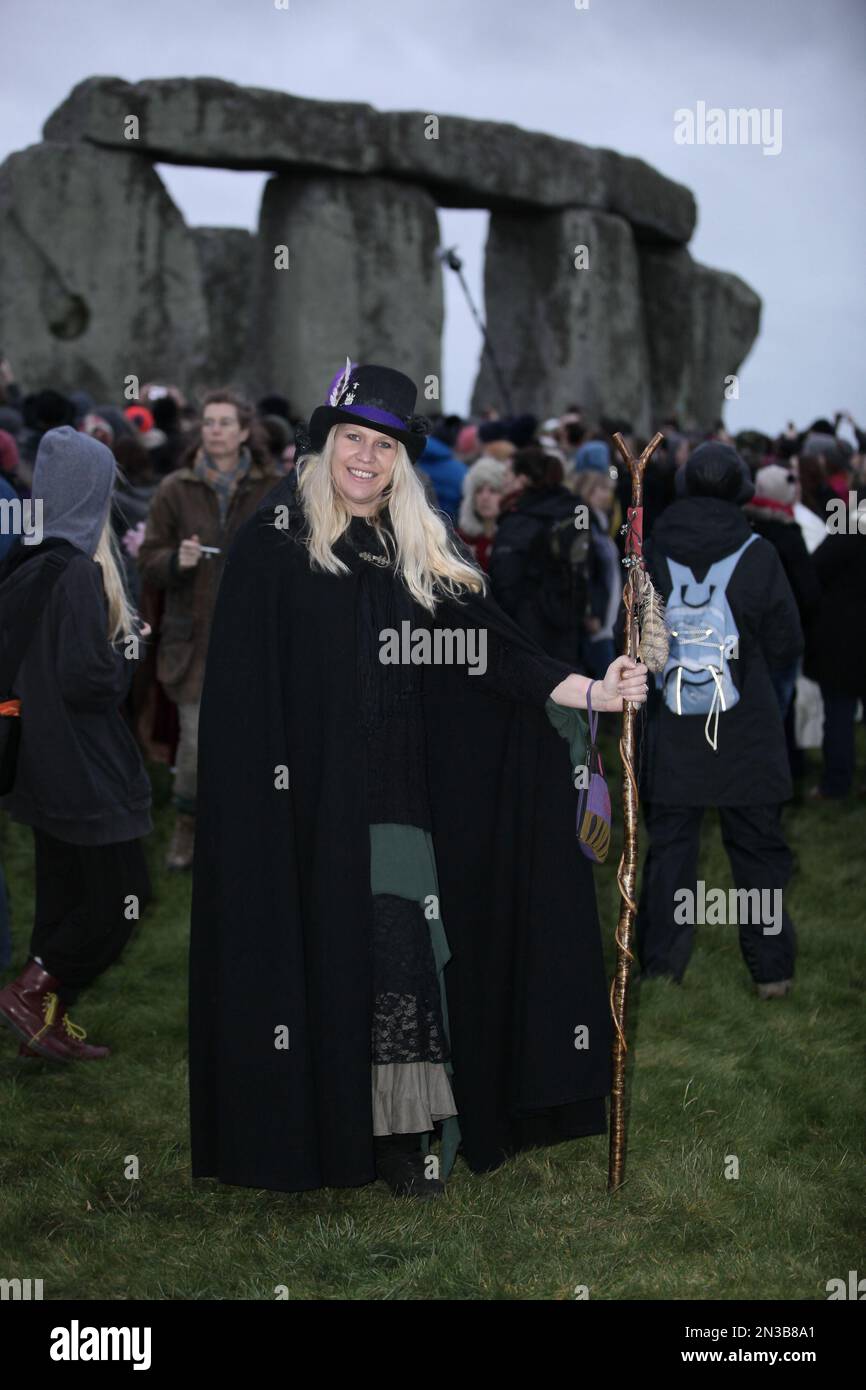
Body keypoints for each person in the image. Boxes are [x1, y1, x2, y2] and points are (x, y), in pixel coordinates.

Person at [188, 362, 647, 1199]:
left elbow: (490, 652)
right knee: (325, 967)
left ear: (403, 459)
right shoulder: (275, 545)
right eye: (353, 438)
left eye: (385, 445)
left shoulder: (415, 548)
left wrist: (592, 689)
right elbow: (244, 702)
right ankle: (323, 1130)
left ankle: (403, 1137)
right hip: (304, 810)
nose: (366, 457)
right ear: (323, 443)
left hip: (400, 801)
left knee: (401, 962)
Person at [0, 427, 152, 1059]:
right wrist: (132, 642)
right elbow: (91, 681)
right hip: (82, 766)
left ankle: (45, 1018)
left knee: (62, 895)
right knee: (124, 900)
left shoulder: (23, 561)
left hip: (37, 763)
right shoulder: (75, 573)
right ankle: (31, 993)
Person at [636, 443, 803, 998]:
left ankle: (661, 967)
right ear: (741, 489)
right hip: (746, 726)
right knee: (758, 847)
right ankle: (772, 971)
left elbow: (635, 643)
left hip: (675, 727)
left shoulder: (651, 550)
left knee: (671, 848)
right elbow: (786, 644)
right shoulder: (761, 554)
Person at [137, 389, 279, 871]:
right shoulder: (175, 488)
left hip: (256, 641)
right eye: (208, 422)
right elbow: (148, 558)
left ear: (244, 431)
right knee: (197, 744)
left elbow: (299, 555)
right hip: (192, 642)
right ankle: (188, 828)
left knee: (251, 744)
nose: (214, 429)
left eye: (225, 422)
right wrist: (177, 560)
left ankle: (242, 835)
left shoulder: (273, 487)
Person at [489, 445, 587, 663]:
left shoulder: (519, 520)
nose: (503, 481)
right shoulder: (573, 509)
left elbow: (505, 579)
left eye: (508, 474)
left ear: (521, 480)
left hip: (526, 632)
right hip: (568, 626)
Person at [455, 457, 508, 573]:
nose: (485, 497)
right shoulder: (461, 539)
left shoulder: (512, 538)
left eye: (493, 490)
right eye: (479, 491)